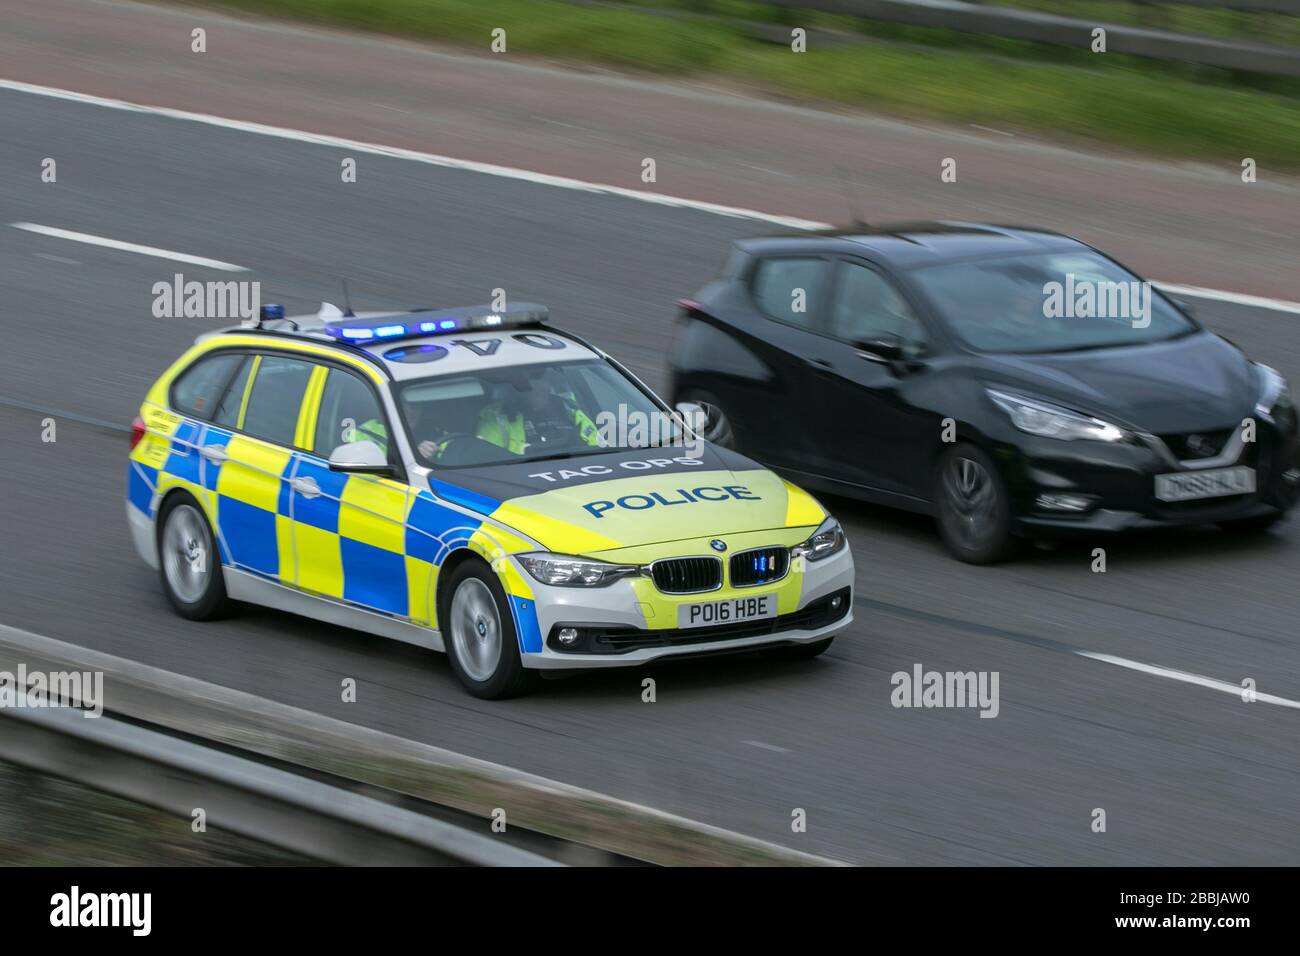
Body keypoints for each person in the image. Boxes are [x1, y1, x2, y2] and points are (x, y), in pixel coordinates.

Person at [418, 374, 600, 460]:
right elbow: (482, 455)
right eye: (533, 384)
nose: (540, 388)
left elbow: (598, 445)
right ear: (522, 390)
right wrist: (432, 450)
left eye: (543, 382)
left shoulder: (567, 408)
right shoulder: (499, 417)